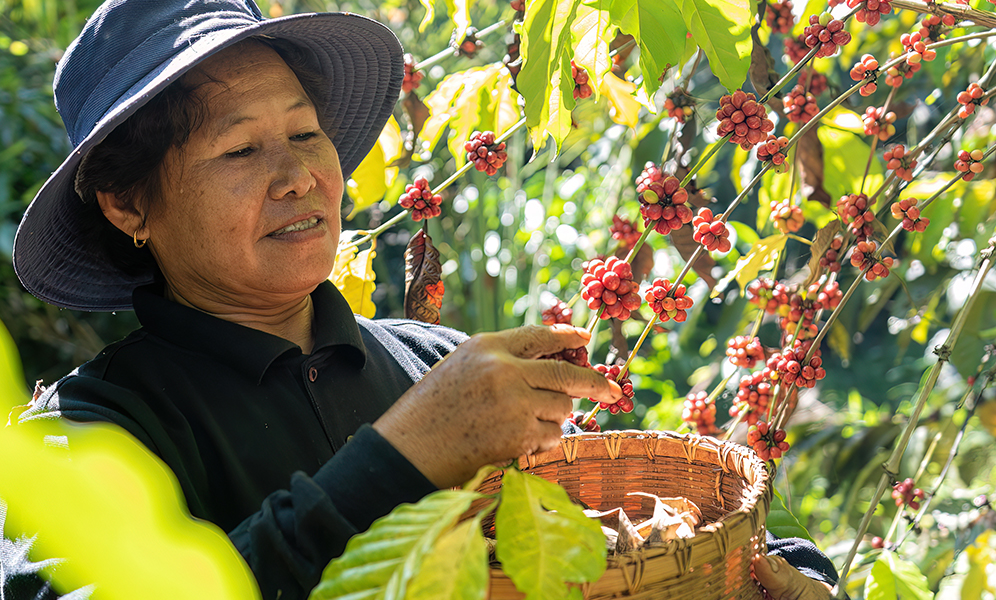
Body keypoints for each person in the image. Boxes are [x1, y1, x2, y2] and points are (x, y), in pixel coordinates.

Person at [9, 0, 839, 598]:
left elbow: (624, 529)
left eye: (305, 134)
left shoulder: (434, 362)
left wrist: (789, 573)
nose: (300, 177)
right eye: (240, 150)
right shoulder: (86, 437)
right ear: (128, 206)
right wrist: (400, 457)